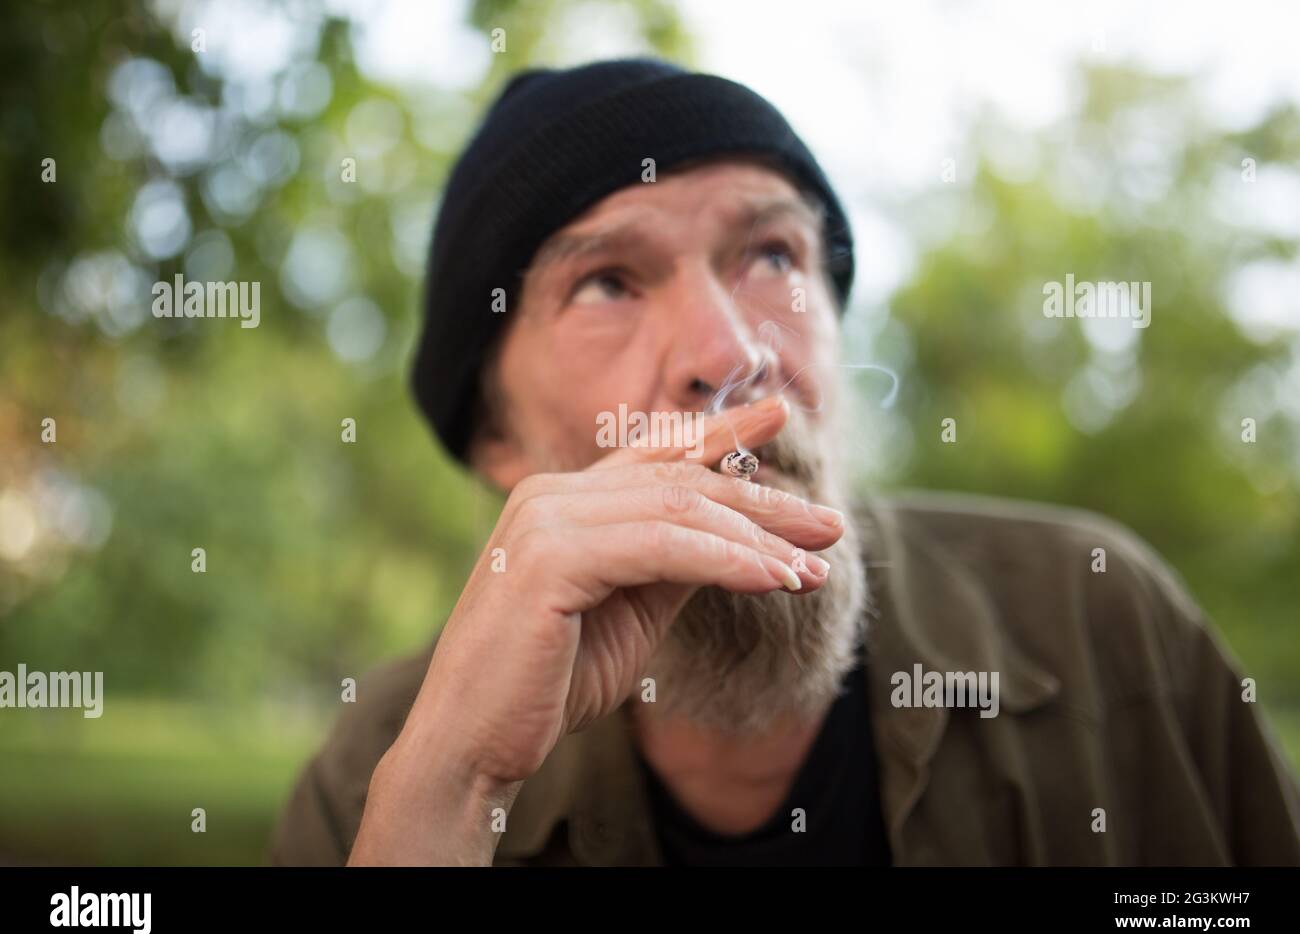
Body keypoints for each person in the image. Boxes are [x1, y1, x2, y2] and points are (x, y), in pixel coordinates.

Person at [270, 58, 1300, 866]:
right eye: (608, 283)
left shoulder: (1105, 622)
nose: (730, 354)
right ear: (496, 436)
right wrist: (455, 791)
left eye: (771, 256)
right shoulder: (384, 768)